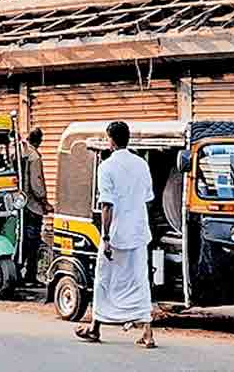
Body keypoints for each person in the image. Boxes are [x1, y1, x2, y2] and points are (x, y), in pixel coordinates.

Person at [75, 121, 157, 349]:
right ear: (127, 139)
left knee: (104, 279)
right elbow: (148, 199)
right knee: (139, 280)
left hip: (117, 233)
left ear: (110, 140)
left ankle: (95, 328)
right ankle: (147, 333)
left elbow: (107, 205)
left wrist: (106, 237)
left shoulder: (107, 167)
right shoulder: (142, 164)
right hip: (138, 232)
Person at [21, 128, 52, 283]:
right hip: (33, 206)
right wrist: (45, 202)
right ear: (39, 141)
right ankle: (30, 275)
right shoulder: (34, 157)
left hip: (21, 204)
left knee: (23, 241)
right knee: (33, 242)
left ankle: (19, 272)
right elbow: (36, 184)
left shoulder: (20, 153)